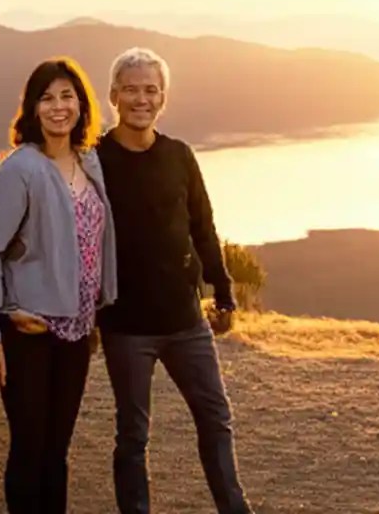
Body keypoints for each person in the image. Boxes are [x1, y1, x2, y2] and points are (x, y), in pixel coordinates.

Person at [95, 47, 254, 514]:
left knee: (215, 418)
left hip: (186, 321)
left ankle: (234, 508)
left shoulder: (179, 156)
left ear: (162, 97)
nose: (141, 99)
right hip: (125, 326)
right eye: (131, 90)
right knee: (133, 434)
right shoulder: (94, 161)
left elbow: (203, 227)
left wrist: (222, 292)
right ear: (114, 96)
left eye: (150, 90)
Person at [0, 56, 118, 514]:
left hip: (74, 333)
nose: (58, 107)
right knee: (30, 450)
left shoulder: (89, 163)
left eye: (67, 96)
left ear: (81, 104)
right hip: (28, 329)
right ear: (33, 109)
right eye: (46, 98)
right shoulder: (22, 169)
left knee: (56, 452)